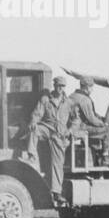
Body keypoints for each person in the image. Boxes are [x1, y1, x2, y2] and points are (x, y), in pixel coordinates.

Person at [27, 76, 72, 204]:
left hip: (59, 134)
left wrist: (70, 131)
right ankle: (31, 156)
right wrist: (33, 122)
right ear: (54, 86)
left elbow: (76, 119)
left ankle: (57, 192)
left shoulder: (68, 102)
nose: (60, 88)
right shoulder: (45, 100)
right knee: (34, 130)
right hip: (47, 128)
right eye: (58, 85)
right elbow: (37, 113)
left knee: (57, 163)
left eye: (63, 86)